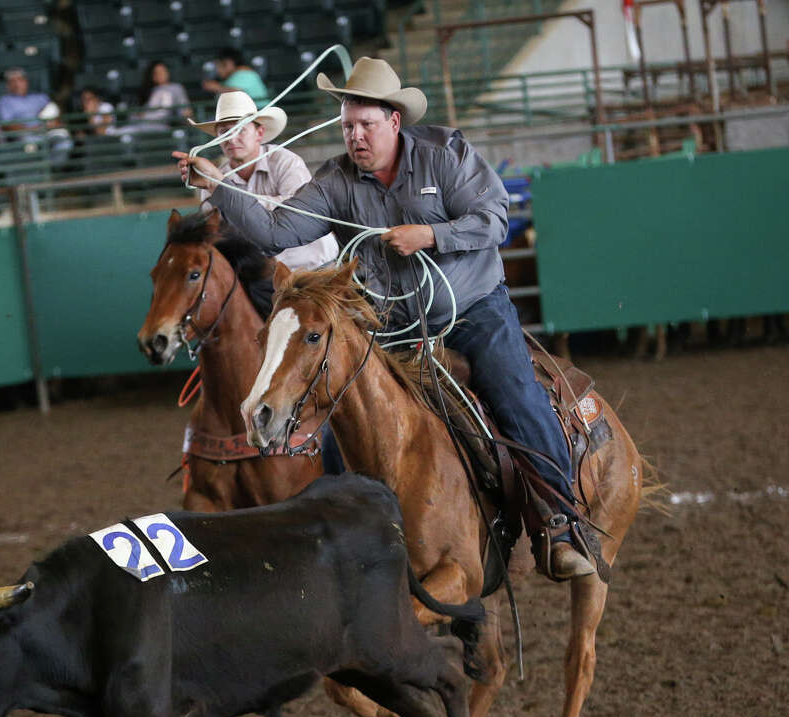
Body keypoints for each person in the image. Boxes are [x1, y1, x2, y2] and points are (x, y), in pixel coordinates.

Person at [176, 57, 595, 580]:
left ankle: (560, 523)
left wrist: (432, 235)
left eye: (365, 125)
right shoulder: (335, 179)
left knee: (512, 391)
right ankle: (333, 538)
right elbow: (277, 231)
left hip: (471, 308)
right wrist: (218, 185)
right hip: (393, 320)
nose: (354, 136)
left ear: (394, 121)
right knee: (339, 418)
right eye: (348, 126)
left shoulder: (447, 155)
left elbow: (493, 218)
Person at [188, 90, 338, 312]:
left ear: (259, 132)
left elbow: (296, 211)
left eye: (240, 130)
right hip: (261, 284)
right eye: (224, 132)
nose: (231, 138)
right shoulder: (213, 180)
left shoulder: (286, 162)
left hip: (316, 272)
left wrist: (225, 191)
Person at [202, 49, 269, 105]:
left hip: (258, 113)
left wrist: (216, 87)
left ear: (228, 63)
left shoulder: (244, 73)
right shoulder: (234, 76)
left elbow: (237, 93)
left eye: (219, 66)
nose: (218, 70)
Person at [139, 60, 190, 126]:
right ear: (153, 76)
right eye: (157, 73)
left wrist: (187, 119)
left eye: (163, 71)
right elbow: (144, 112)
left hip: (164, 124)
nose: (161, 75)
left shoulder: (176, 88)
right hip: (145, 123)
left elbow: (185, 110)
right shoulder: (152, 90)